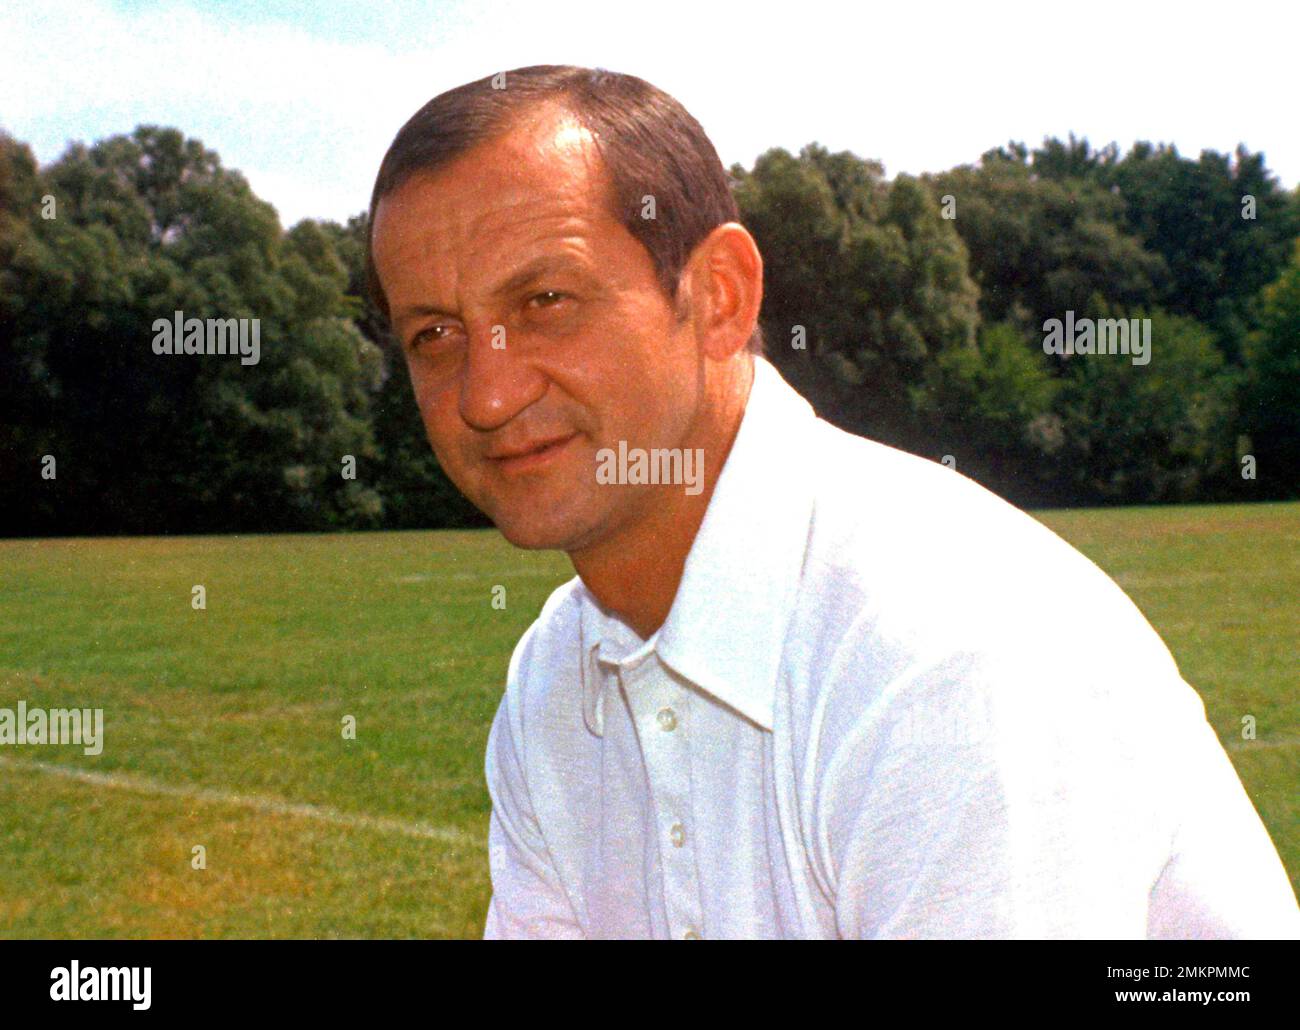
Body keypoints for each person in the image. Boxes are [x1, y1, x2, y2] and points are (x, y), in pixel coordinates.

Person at [366, 64, 1299, 939]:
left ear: (721, 299)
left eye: (545, 301)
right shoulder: (557, 677)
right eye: (436, 333)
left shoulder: (941, 644)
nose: (484, 393)